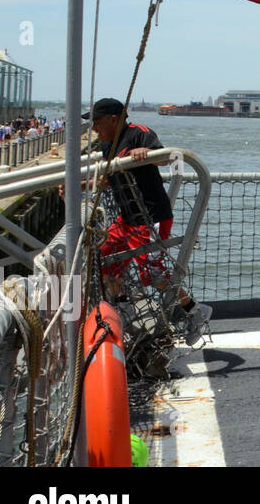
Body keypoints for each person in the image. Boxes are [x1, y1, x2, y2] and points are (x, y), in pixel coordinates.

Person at [76, 98, 211, 346]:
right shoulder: (108, 146)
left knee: (152, 273)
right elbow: (107, 180)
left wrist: (147, 154)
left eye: (96, 122)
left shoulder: (139, 134)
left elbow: (166, 158)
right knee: (103, 260)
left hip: (151, 217)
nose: (93, 128)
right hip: (126, 218)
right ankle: (127, 315)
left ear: (113, 119)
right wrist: (78, 187)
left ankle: (194, 310)